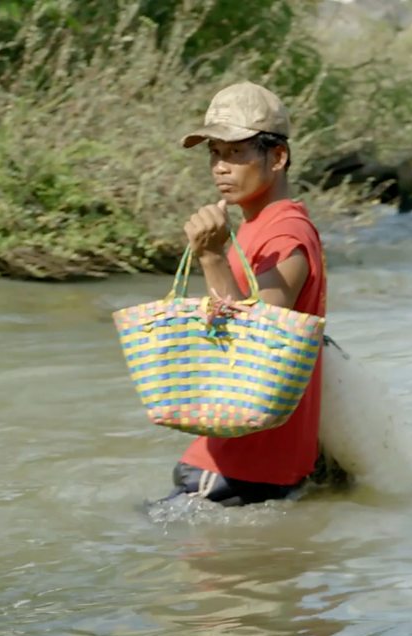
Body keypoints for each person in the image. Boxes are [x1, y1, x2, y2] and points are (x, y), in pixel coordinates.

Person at [163, 81, 337, 507]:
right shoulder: (260, 227)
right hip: (253, 461)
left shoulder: (286, 235)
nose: (221, 167)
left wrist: (210, 256)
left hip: (236, 466)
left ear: (277, 157)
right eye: (215, 154)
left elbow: (252, 343)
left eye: (236, 153)